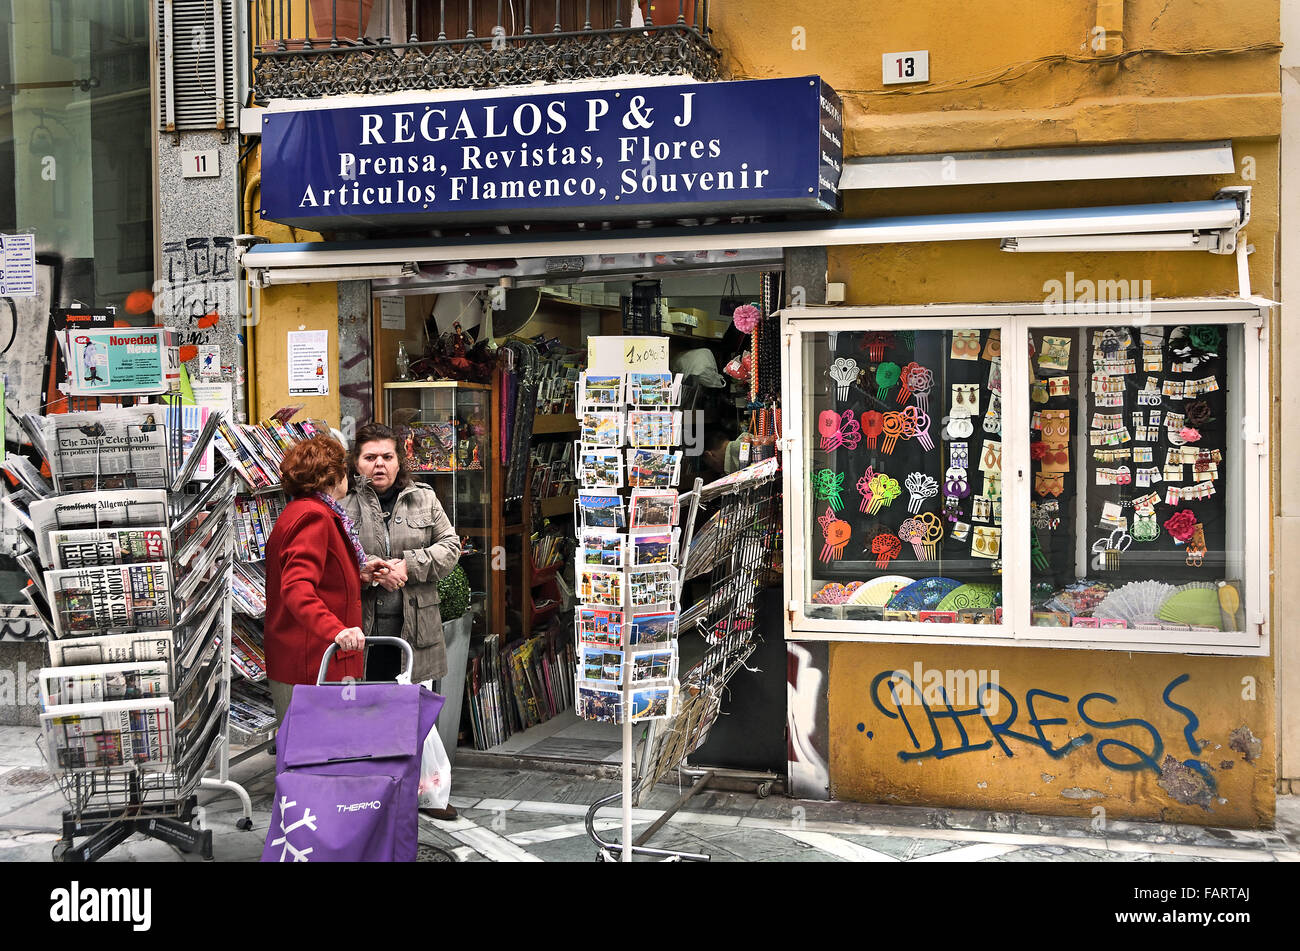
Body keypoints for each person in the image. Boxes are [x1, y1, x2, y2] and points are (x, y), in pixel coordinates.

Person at [343, 422, 462, 820]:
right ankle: (374, 797)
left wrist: (408, 566)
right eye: (370, 457)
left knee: (415, 712)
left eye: (387, 457)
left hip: (415, 626)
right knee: (369, 711)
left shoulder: (423, 499)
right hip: (365, 627)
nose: (379, 465)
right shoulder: (343, 503)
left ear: (399, 460)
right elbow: (337, 558)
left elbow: (450, 547)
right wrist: (369, 570)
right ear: (356, 462)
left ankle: (428, 794)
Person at [264, 436, 384, 726]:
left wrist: (359, 572)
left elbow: (317, 574)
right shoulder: (314, 516)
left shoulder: (308, 511)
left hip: (314, 659)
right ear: (332, 475)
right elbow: (296, 587)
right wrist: (337, 631)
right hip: (314, 663)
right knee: (319, 757)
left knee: (324, 754)